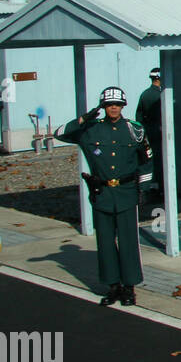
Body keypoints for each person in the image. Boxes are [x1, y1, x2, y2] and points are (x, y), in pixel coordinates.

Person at [57, 86, 152, 306]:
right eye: (109, 105)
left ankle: (129, 288)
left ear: (123, 106)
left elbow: (147, 161)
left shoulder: (134, 130)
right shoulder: (90, 130)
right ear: (103, 107)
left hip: (126, 192)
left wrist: (144, 189)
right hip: (102, 193)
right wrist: (84, 118)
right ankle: (112, 286)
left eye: (117, 105)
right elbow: (60, 133)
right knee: (106, 242)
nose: (113, 109)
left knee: (128, 242)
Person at [137, 67, 163, 200]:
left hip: (147, 132)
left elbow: (139, 117)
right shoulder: (160, 95)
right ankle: (158, 188)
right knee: (159, 161)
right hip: (159, 132)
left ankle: (150, 187)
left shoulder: (145, 94)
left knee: (149, 160)